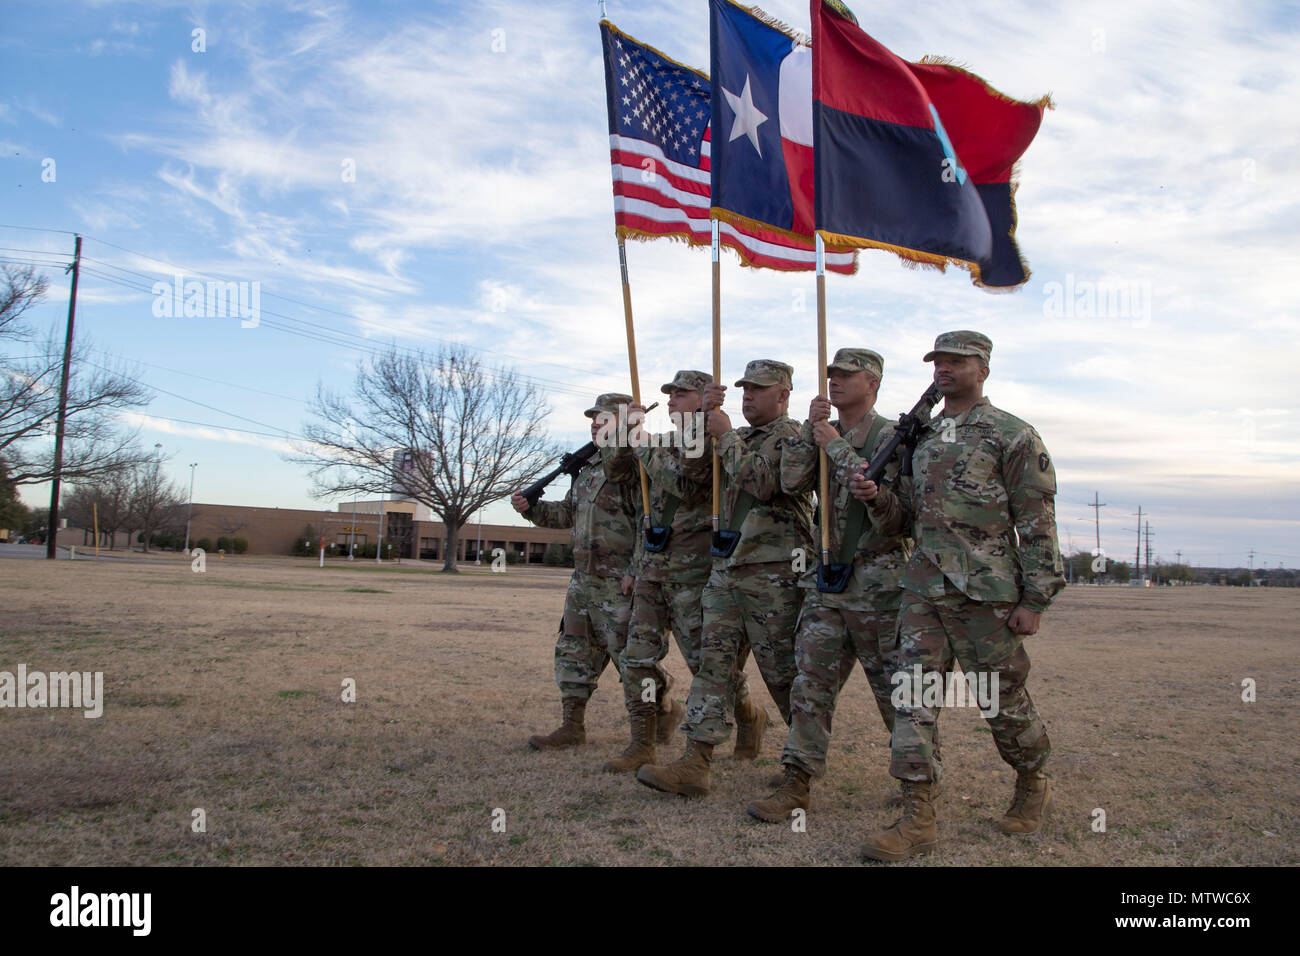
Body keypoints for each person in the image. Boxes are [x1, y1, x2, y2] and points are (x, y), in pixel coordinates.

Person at [850, 331, 1065, 861]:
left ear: (983, 368)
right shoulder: (920, 436)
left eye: (956, 361)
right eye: (938, 361)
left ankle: (1032, 779)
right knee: (912, 702)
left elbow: (1037, 524)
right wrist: (878, 498)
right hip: (922, 589)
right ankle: (916, 815)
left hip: (985, 594)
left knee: (1001, 701)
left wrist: (1035, 600)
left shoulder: (1012, 434)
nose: (944, 369)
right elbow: (904, 519)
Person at [746, 348, 914, 823]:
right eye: (831, 375)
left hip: (880, 584)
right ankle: (796, 782)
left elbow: (902, 515)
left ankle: (914, 786)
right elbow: (794, 482)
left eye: (846, 375)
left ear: (873, 382)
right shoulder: (821, 433)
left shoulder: (894, 437)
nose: (834, 381)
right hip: (826, 584)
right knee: (810, 686)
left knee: (895, 695)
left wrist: (837, 446)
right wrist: (809, 431)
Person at [636, 359, 813, 797]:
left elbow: (765, 483)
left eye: (759, 388)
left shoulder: (792, 436)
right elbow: (692, 476)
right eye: (745, 388)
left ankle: (802, 768)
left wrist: (725, 434)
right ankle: (696, 762)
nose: (749, 395)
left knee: (782, 674)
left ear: (784, 395)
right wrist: (700, 422)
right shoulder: (730, 436)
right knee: (711, 667)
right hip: (726, 568)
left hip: (773, 572)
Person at [604, 370, 755, 773]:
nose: (670, 399)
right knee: (635, 659)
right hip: (653, 569)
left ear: (705, 399)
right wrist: (626, 433)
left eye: (681, 393)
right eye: (669, 393)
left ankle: (748, 717)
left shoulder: (715, 440)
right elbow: (616, 473)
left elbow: (686, 486)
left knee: (707, 666)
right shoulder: (663, 441)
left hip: (695, 572)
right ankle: (643, 742)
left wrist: (643, 448)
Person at [513, 393, 641, 750]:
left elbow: (650, 522)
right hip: (583, 580)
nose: (595, 424)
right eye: (593, 419)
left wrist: (636, 569)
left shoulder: (635, 464)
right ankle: (572, 726)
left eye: (603, 418)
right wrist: (531, 509)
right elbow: (567, 515)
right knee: (573, 650)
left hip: (621, 582)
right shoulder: (587, 471)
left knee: (630, 657)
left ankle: (657, 715)